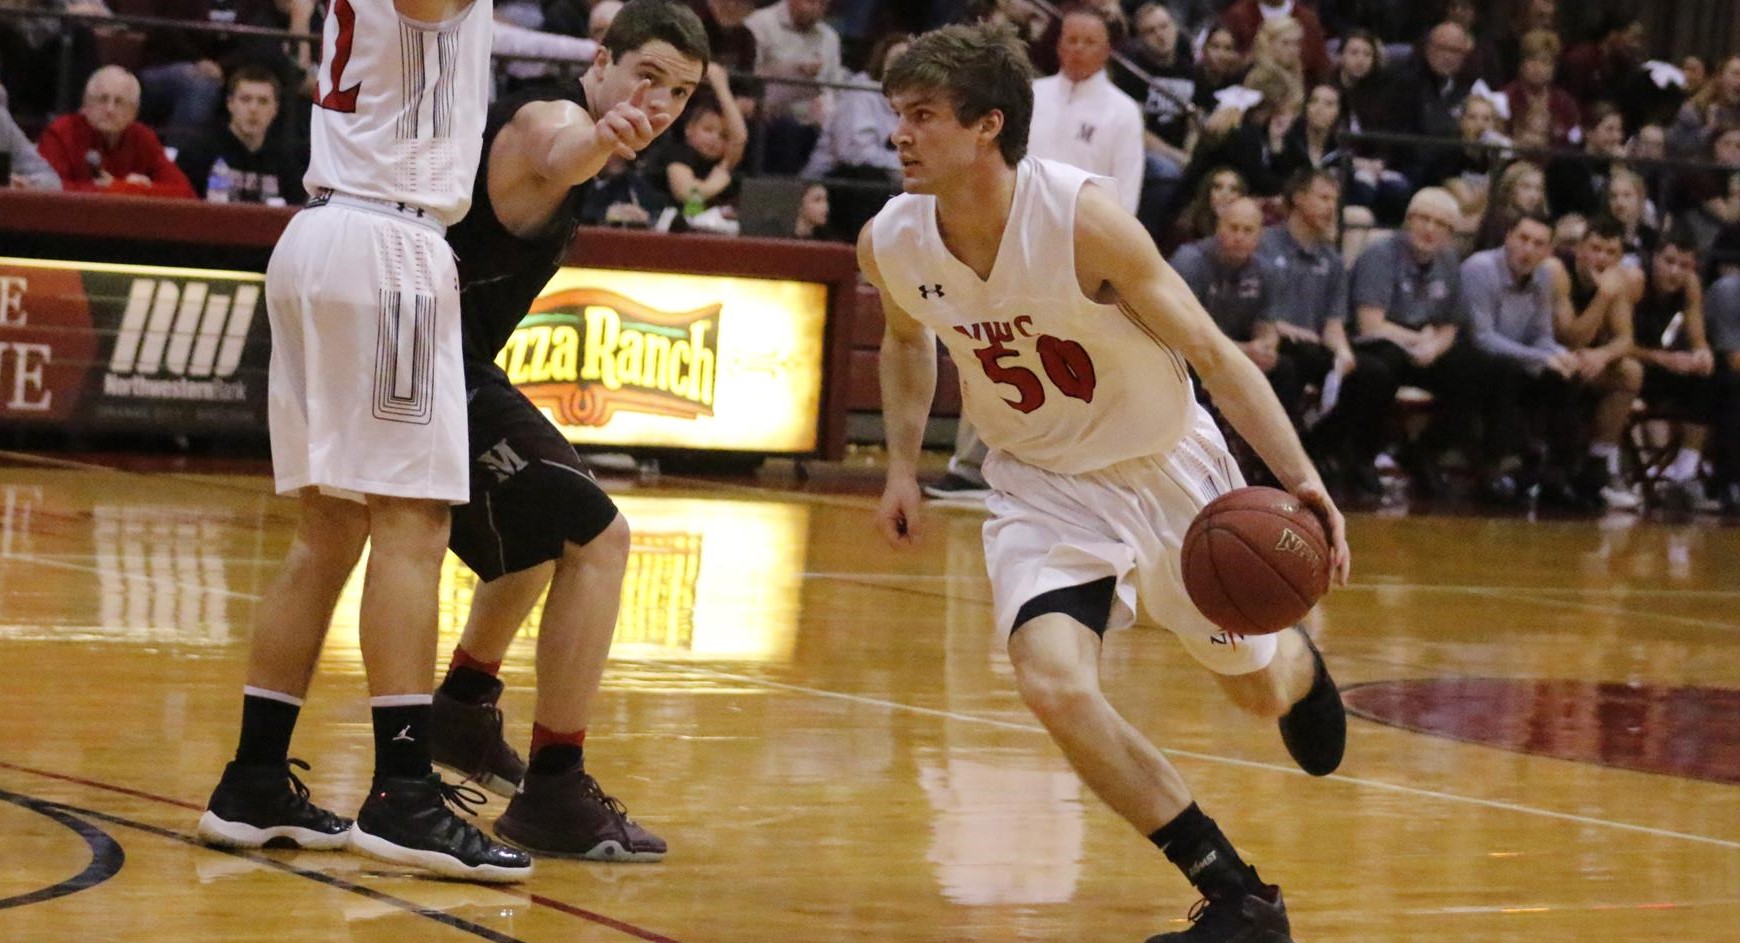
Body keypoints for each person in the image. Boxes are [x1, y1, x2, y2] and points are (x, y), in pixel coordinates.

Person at [864, 22, 1349, 942]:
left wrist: (1303, 479)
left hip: (1164, 468)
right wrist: (899, 468)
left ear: (986, 127)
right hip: (1039, 485)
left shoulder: (1081, 219)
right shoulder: (892, 239)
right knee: (1051, 679)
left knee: (1253, 688)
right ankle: (1237, 893)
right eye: (899, 114)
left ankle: (1295, 664)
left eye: (923, 116)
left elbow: (1210, 350)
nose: (902, 134)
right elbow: (903, 341)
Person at [195, 0, 533, 882]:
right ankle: (404, 793)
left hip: (327, 233)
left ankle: (255, 778)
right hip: (386, 246)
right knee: (413, 525)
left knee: (330, 530)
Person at [425, 0, 706, 859]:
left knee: (539, 534)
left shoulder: (596, 130)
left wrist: (612, 136)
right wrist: (602, 136)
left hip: (449, 363)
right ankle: (553, 787)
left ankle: (464, 709)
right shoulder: (557, 118)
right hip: (428, 371)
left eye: (680, 92)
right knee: (601, 535)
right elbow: (556, 150)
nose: (658, 103)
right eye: (646, 77)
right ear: (602, 60)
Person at [1320, 188, 1490, 499]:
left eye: (1439, 223)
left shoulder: (1450, 261)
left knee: (1475, 368)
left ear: (1450, 234)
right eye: (1422, 219)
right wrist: (1419, 340)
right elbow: (1370, 323)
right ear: (1408, 220)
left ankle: (1423, 449)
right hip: (1379, 342)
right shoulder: (1379, 254)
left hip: (1422, 347)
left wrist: (1435, 347)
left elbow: (1450, 325)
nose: (1429, 228)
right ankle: (1362, 457)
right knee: (1384, 367)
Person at [1460, 213, 1582, 505]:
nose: (1528, 250)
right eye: (1523, 239)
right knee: (1508, 372)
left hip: (1515, 360)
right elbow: (1482, 338)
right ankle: (1495, 470)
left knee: (1567, 375)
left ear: (1548, 252)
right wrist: (1542, 356)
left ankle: (1558, 473)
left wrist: (1562, 356)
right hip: (1473, 362)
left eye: (1538, 244)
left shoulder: (1543, 276)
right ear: (1508, 238)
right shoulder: (1480, 268)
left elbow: (1541, 335)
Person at [1629, 230, 1727, 512]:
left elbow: (1697, 337)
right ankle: (1612, 472)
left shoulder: (1691, 286)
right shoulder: (1635, 282)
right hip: (1629, 364)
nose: (1675, 272)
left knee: (1711, 374)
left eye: (1684, 265)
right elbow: (1618, 344)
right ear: (1653, 258)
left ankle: (1685, 471)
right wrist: (1663, 359)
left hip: (1658, 367)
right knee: (1630, 369)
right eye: (1669, 261)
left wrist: (1702, 354)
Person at [1551, 215, 1644, 511]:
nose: (1601, 258)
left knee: (1630, 372)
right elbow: (1571, 339)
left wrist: (1602, 355)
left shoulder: (1616, 278)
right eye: (1595, 248)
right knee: (1569, 370)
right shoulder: (1558, 271)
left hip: (1586, 361)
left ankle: (1599, 464)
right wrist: (1603, 297)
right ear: (1579, 249)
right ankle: (1553, 469)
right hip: (1548, 356)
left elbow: (1625, 340)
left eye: (1610, 252)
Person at [1259, 169, 1353, 439]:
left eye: (1334, 201)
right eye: (1323, 198)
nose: (1331, 207)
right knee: (1297, 362)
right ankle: (1283, 447)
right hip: (1271, 337)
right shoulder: (1265, 244)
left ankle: (1328, 449)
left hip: (1312, 343)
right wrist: (1278, 325)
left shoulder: (1333, 259)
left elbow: (1333, 324)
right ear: (1298, 198)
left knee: (1370, 373)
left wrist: (1344, 354)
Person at [1027, 4, 1143, 213]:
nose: (1078, 48)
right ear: (1059, 46)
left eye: (1089, 42)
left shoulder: (1124, 112)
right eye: (1072, 40)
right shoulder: (1032, 94)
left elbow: (1127, 190)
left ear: (1107, 51)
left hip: (1085, 227)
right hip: (1025, 217)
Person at [36, 65, 195, 197]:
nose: (110, 109)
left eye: (119, 102)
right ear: (85, 104)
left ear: (134, 112)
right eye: (102, 99)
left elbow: (185, 193)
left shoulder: (142, 137)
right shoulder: (61, 132)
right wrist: (117, 189)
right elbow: (47, 189)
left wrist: (120, 187)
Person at [174, 65, 308, 204]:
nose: (253, 109)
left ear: (275, 109)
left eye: (263, 101)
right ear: (230, 104)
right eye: (245, 99)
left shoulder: (286, 163)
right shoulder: (198, 152)